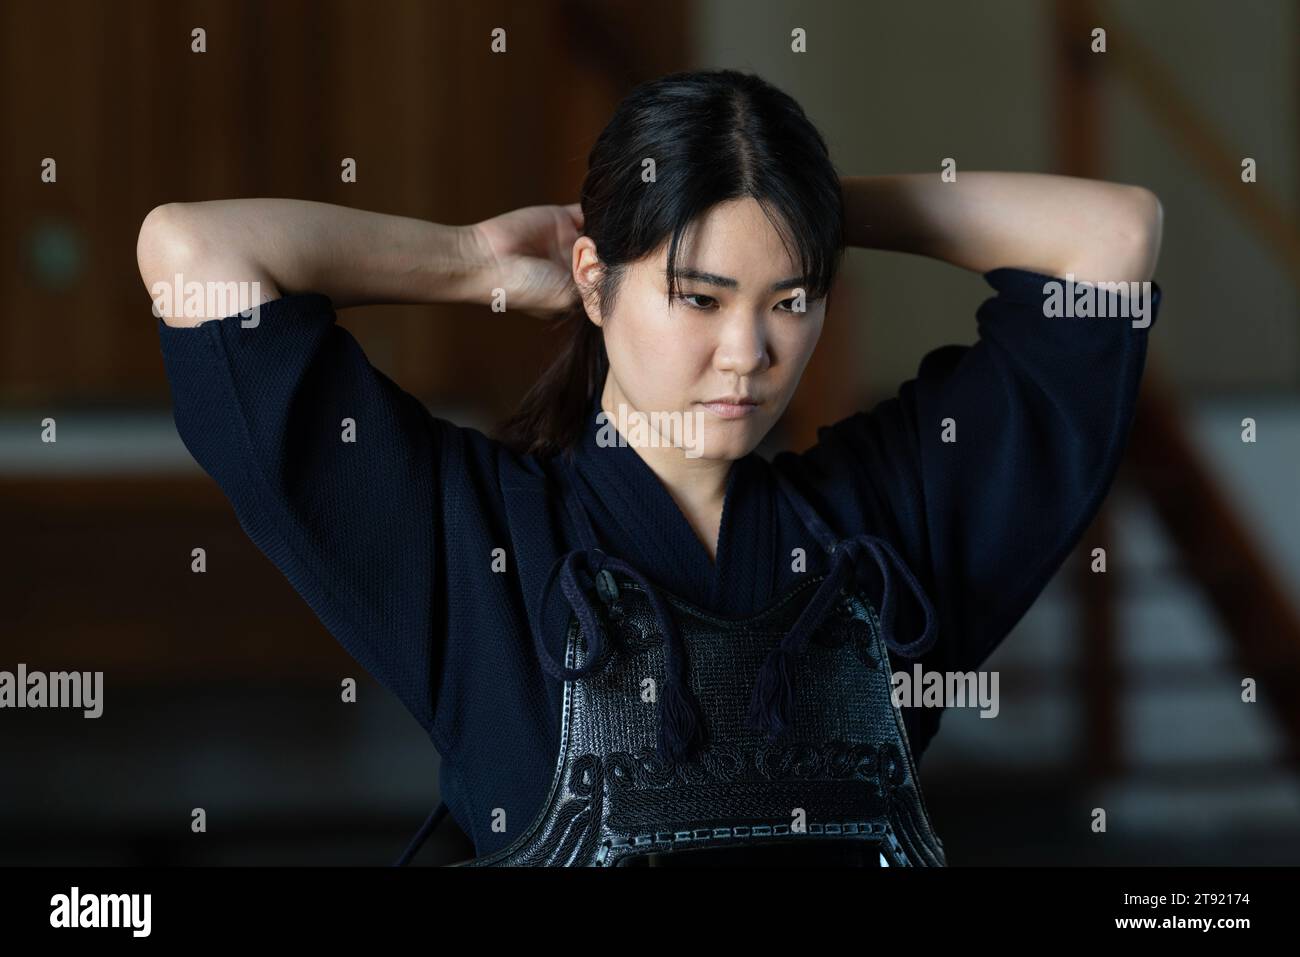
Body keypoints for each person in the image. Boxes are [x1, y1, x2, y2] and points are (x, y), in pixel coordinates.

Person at [138, 68, 1163, 866]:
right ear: (594, 282)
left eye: (791, 298)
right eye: (700, 295)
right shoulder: (471, 538)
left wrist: (787, 195)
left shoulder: (884, 527)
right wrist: (478, 264)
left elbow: (1110, 239)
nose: (747, 352)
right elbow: (195, 252)